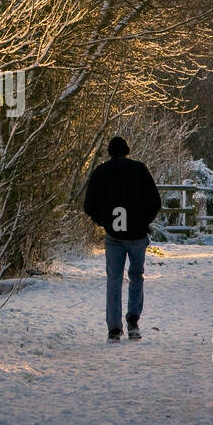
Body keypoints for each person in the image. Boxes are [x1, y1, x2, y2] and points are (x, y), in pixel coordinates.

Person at [83, 136, 162, 342]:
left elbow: (89, 205)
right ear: (127, 150)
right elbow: (155, 201)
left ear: (109, 151)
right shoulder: (140, 169)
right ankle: (133, 320)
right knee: (136, 276)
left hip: (114, 236)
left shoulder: (101, 172)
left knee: (114, 280)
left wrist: (105, 222)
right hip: (137, 235)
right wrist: (143, 221)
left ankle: (114, 329)